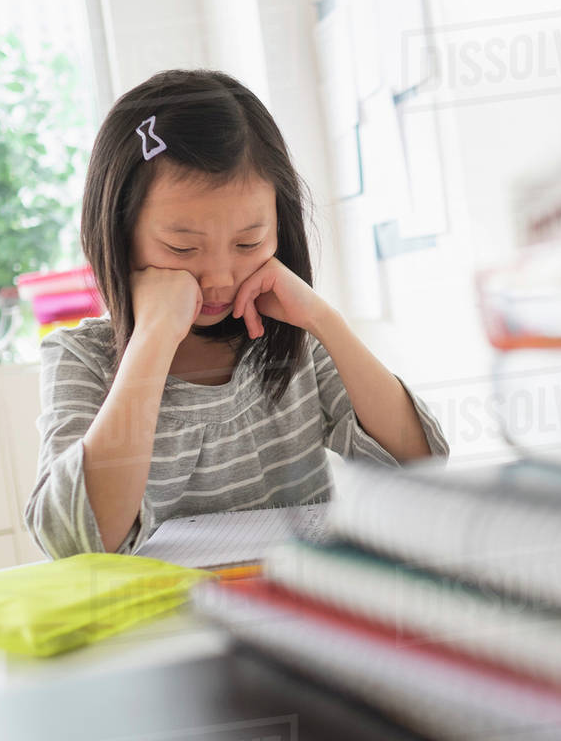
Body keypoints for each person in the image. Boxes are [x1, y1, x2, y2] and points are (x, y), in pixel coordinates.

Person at [24, 69, 449, 559]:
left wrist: (322, 319)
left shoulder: (292, 337)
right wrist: (153, 337)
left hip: (303, 605)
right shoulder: (82, 358)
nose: (221, 278)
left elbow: (421, 464)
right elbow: (72, 540)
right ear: (118, 234)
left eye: (249, 242)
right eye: (181, 247)